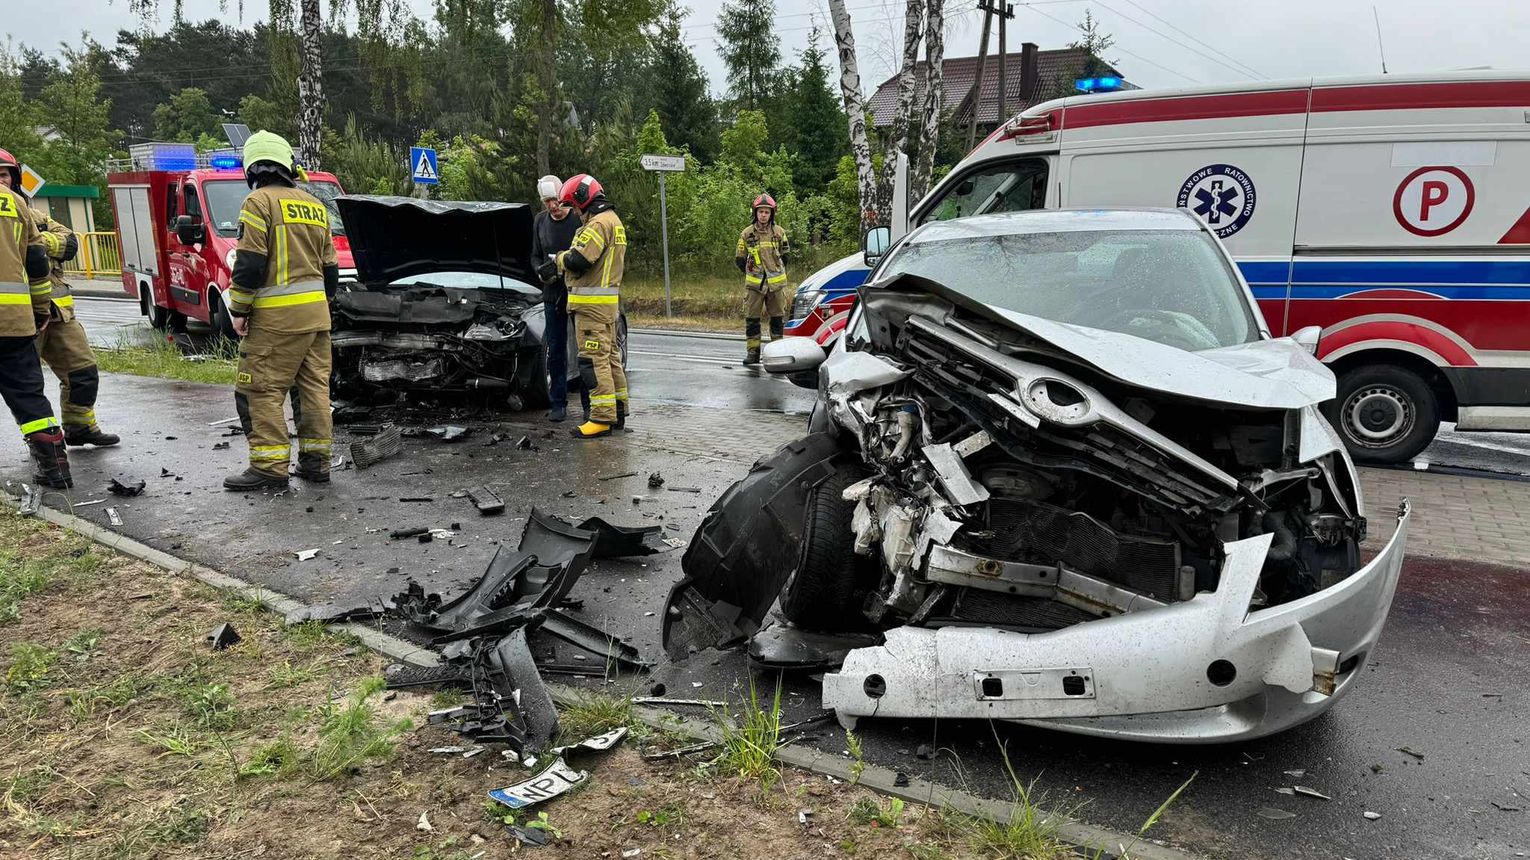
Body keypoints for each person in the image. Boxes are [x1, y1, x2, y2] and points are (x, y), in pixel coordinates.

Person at [223, 130, 340, 491]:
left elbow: (250, 265)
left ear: (253, 168)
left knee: (260, 390)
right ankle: (317, 463)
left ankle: (269, 467)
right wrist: (320, 307)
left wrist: (239, 308)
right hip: (316, 319)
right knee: (313, 391)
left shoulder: (258, 203)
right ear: (289, 165)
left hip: (276, 321)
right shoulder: (314, 205)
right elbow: (331, 272)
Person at [0, 154, 120, 448]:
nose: (1, 180)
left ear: (15, 179)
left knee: (83, 371)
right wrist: (38, 243)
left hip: (57, 313)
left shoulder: (32, 213)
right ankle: (41, 443)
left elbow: (70, 242)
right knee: (27, 387)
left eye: (5, 175)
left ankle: (80, 426)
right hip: (19, 318)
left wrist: (39, 242)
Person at [0, 149, 69, 488]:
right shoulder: (16, 204)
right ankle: (56, 469)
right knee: (29, 396)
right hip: (14, 322)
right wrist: (41, 310)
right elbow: (38, 262)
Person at [554, 174, 627, 439]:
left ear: (583, 200)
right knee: (610, 359)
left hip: (591, 309)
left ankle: (601, 418)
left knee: (593, 362)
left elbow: (579, 259)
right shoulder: (614, 221)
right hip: (606, 307)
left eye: (574, 205)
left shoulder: (598, 224)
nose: (574, 211)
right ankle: (618, 411)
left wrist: (558, 260)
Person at [531, 174, 586, 422]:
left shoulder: (578, 219)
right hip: (551, 293)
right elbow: (534, 256)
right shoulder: (540, 222)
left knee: (584, 349)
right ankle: (558, 403)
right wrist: (540, 272)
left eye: (555, 201)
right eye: (546, 202)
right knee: (555, 349)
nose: (552, 207)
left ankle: (588, 405)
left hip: (577, 292)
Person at [734, 193, 790, 366]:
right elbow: (739, 258)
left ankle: (777, 353)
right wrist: (753, 273)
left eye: (767, 212)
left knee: (777, 320)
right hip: (754, 286)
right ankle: (753, 354)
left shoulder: (780, 232)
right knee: (752, 320)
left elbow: (786, 256)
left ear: (771, 214)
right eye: (760, 212)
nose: (763, 215)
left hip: (776, 286)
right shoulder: (746, 234)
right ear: (755, 213)